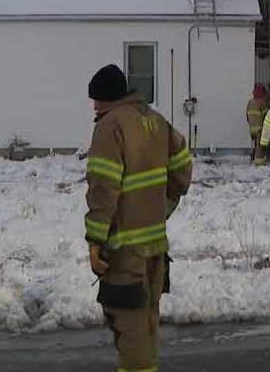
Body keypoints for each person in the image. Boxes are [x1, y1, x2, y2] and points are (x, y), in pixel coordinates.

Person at [84, 64, 193, 372]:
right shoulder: (156, 120)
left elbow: (103, 188)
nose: (94, 107)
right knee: (147, 325)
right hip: (156, 246)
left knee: (129, 328)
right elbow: (182, 169)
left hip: (124, 251)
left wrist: (95, 241)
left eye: (97, 100)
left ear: (108, 98)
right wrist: (161, 206)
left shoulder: (110, 126)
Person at [246, 83, 270, 163]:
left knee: (255, 144)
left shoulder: (250, 102)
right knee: (259, 146)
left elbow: (247, 115)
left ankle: (253, 157)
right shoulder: (262, 103)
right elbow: (267, 116)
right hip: (260, 128)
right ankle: (259, 161)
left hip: (252, 128)